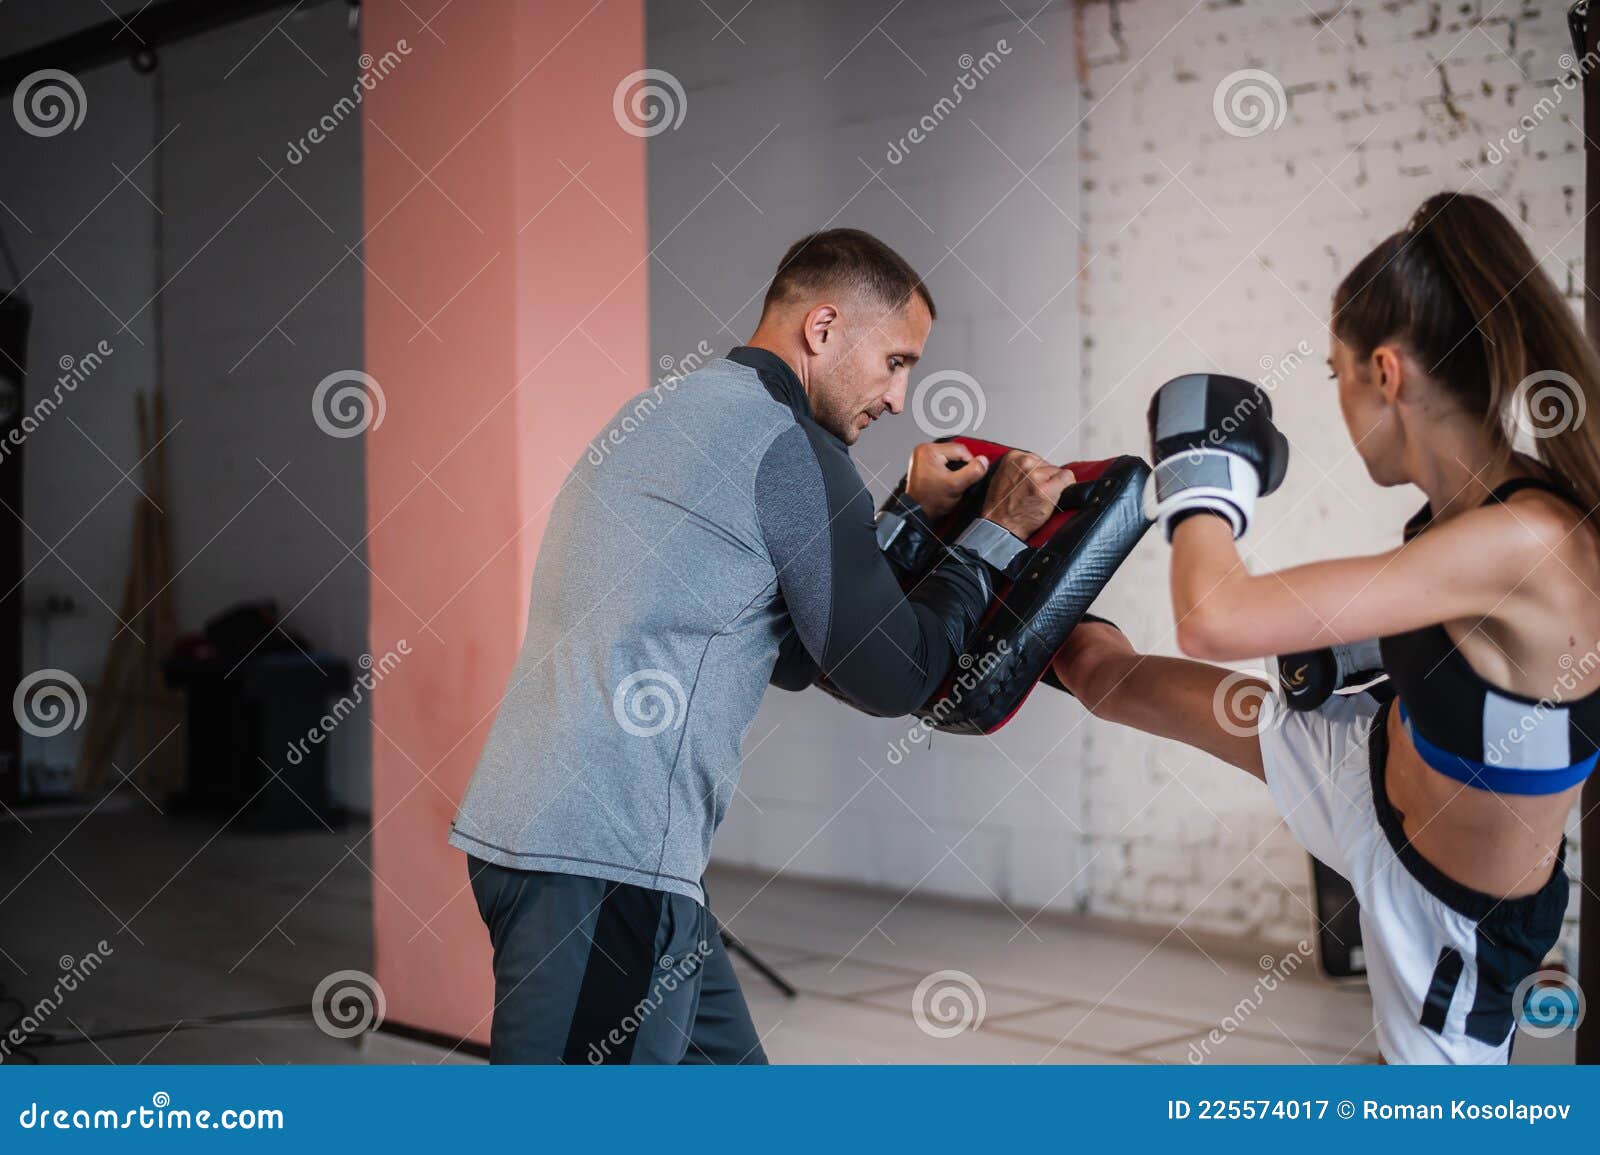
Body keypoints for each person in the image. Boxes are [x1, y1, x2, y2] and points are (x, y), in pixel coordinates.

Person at [450, 228, 1073, 1063]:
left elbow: (793, 643)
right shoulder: (793, 449)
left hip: (565, 840)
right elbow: (896, 673)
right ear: (822, 329)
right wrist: (994, 534)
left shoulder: (675, 408)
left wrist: (910, 516)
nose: (899, 398)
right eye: (895, 360)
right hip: (606, 862)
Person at [1051, 192, 1600, 1064]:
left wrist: (1201, 474)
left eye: (1335, 374)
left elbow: (1212, 618)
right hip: (1364, 763)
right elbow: (1493, 663)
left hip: (1446, 918)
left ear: (1387, 373)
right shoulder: (1461, 514)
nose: (1338, 401)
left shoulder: (1522, 538)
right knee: (1102, 674)